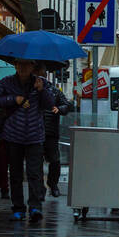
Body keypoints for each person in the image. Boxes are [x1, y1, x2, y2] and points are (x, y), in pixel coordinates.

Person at [0, 59, 54, 222]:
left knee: (35, 174)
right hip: (13, 134)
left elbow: (49, 105)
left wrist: (41, 91)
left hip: (35, 136)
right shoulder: (7, 82)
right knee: (16, 174)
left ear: (33, 66)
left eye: (27, 64)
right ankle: (18, 208)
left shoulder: (41, 83)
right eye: (20, 64)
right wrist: (13, 99)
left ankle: (35, 207)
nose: (23, 67)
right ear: (15, 66)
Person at [38, 66, 73, 198]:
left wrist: (59, 109)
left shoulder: (54, 91)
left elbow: (68, 105)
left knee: (54, 160)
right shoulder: (32, 90)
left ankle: (53, 184)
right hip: (35, 131)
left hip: (51, 131)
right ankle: (40, 187)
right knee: (36, 161)